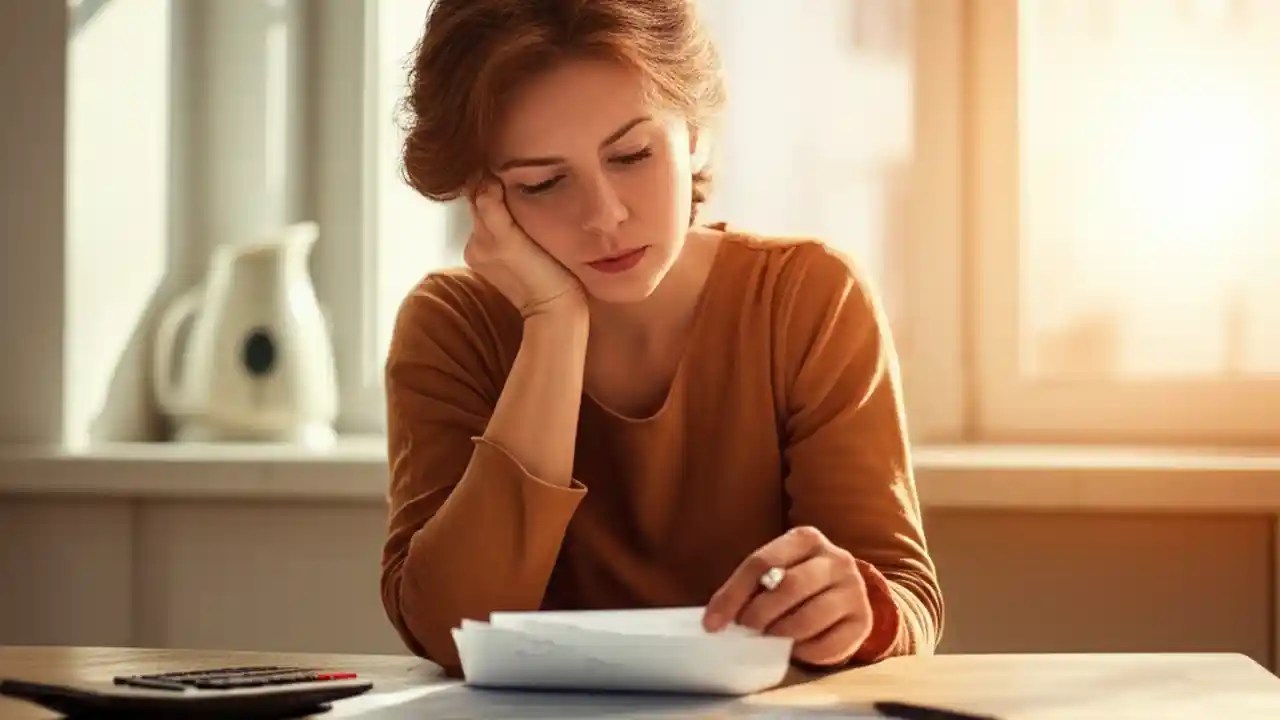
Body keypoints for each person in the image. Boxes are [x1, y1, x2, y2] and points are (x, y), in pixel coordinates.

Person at [380, 0, 943, 674]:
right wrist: (554, 324)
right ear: (484, 196)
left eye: (631, 154)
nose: (605, 215)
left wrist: (859, 610)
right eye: (544, 183)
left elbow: (906, 602)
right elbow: (452, 633)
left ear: (697, 132)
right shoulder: (451, 328)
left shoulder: (807, 298)